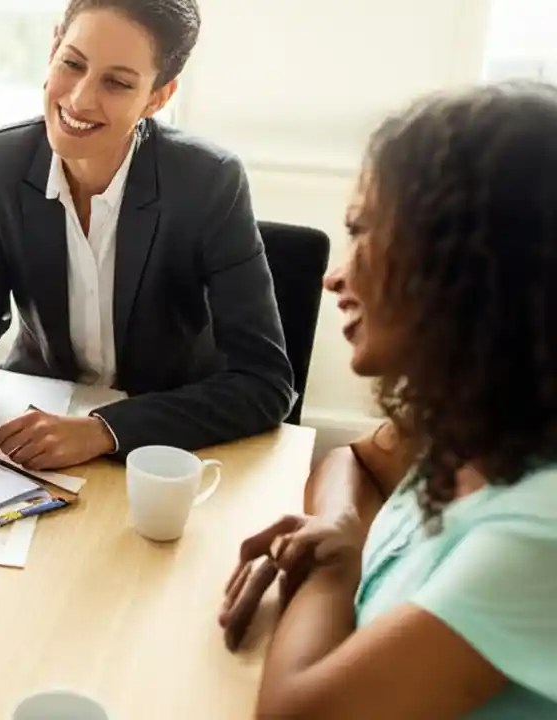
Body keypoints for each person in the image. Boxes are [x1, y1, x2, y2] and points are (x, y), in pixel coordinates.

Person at [220, 81, 557, 718]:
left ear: (467, 264)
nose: (334, 277)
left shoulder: (541, 534)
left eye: (363, 231)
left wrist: (333, 572)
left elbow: (296, 714)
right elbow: (350, 462)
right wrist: (340, 523)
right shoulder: (478, 426)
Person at [0, 0, 293, 484]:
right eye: (73, 64)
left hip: (162, 449)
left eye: (117, 83)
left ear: (157, 97)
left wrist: (104, 430)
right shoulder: (0, 162)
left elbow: (265, 383)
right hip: (36, 425)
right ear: (53, 46)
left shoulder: (208, 182)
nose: (80, 99)